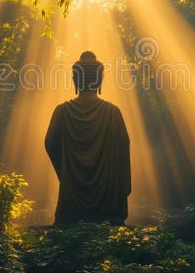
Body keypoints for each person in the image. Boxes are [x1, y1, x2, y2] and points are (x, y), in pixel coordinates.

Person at [44, 51, 132, 225]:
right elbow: (123, 149)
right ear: (99, 80)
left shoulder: (62, 111)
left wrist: (66, 172)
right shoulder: (112, 113)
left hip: (72, 198)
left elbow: (50, 144)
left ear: (75, 80)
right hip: (107, 201)